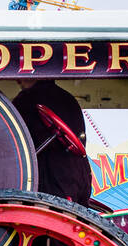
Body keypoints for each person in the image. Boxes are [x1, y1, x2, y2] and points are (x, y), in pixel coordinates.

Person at [12, 80, 92, 208]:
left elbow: (12, 139)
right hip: (79, 177)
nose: (17, 80)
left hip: (52, 181)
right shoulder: (68, 98)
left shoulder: (27, 99)